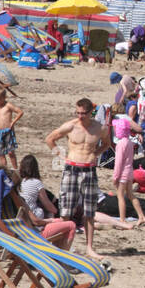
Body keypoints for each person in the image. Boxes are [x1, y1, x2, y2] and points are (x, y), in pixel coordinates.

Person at [45, 97, 111, 261]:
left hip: (89, 170)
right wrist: (61, 155)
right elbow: (50, 139)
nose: (80, 116)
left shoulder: (99, 128)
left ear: (90, 113)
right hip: (72, 168)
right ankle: (63, 245)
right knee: (66, 209)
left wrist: (95, 154)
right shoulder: (71, 126)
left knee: (89, 210)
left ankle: (89, 248)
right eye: (78, 113)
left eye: (84, 113)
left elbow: (107, 144)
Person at [17, 154, 78, 248]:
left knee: (59, 221)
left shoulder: (21, 184)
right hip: (35, 232)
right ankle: (62, 257)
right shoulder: (36, 183)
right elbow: (47, 205)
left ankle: (57, 253)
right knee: (71, 225)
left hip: (24, 229)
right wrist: (54, 214)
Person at [111, 108, 145, 226]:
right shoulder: (130, 142)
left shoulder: (120, 144)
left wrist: (115, 177)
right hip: (130, 172)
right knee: (131, 195)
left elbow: (119, 162)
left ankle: (122, 220)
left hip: (122, 174)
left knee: (121, 197)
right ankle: (141, 216)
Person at [0, 88, 23, 171]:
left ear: (4, 97)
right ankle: (3, 170)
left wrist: (13, 122)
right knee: (1, 153)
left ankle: (15, 169)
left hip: (8, 131)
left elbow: (20, 112)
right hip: (0, 132)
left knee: (10, 152)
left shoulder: (8, 105)